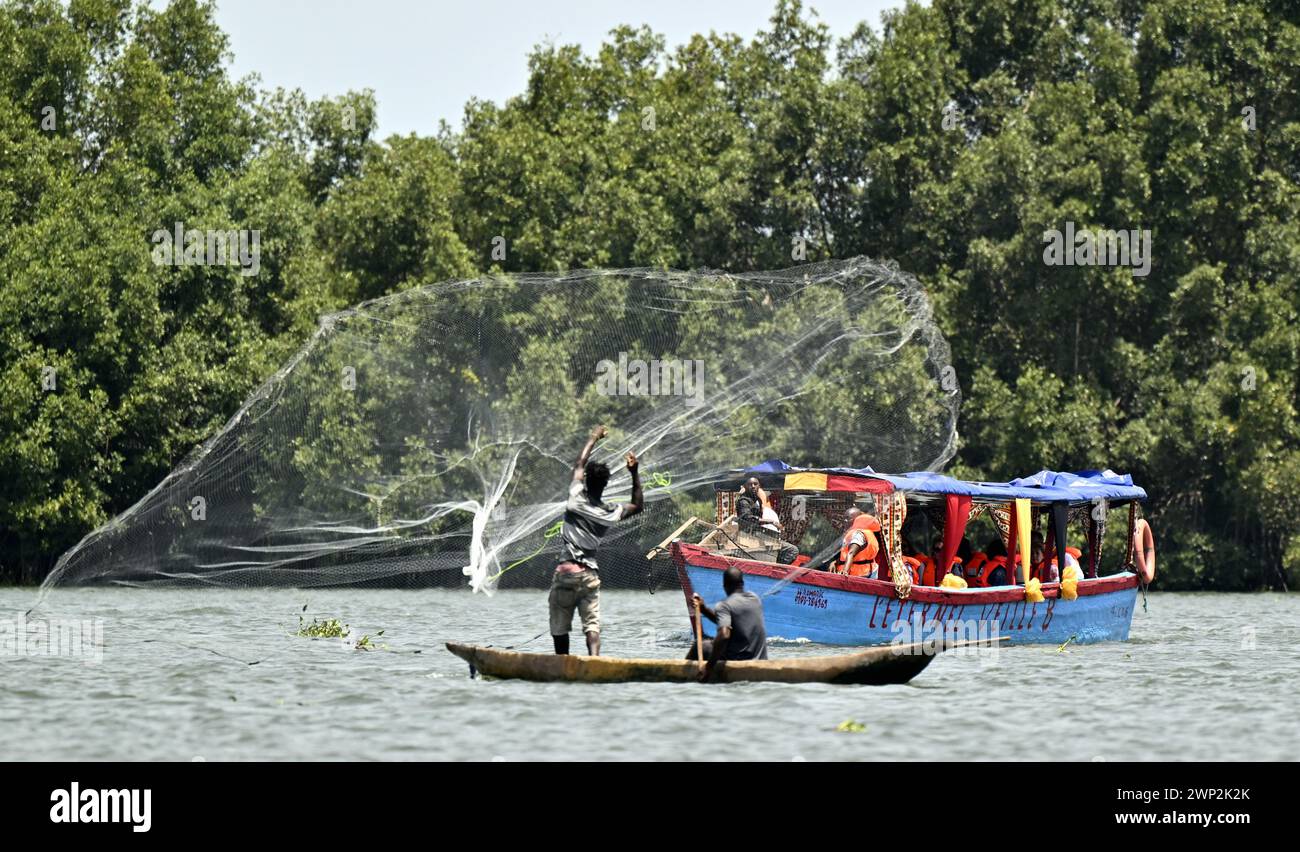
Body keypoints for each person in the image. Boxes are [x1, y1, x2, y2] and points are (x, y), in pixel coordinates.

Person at [550, 425, 643, 657]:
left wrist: (593, 437)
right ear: (606, 485)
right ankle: (594, 662)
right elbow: (637, 505)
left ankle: (562, 664)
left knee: (559, 627)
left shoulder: (575, 500)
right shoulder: (609, 513)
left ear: (587, 482)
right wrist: (634, 473)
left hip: (566, 573)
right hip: (590, 576)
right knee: (592, 626)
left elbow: (579, 465)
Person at [687, 566, 768, 681]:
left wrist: (708, 667)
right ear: (742, 583)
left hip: (739, 662)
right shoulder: (755, 599)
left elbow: (724, 635)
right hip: (760, 660)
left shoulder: (724, 605)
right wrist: (703, 609)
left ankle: (683, 677)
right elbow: (729, 622)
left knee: (701, 646)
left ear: (724, 586)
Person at [735, 477, 799, 564]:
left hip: (759, 535)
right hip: (748, 536)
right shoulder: (743, 501)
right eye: (750, 484)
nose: (753, 486)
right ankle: (775, 568)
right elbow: (747, 518)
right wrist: (771, 522)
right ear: (745, 486)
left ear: (759, 486)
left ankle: (776, 568)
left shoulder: (758, 500)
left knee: (792, 550)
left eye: (755, 484)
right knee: (792, 550)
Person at [834, 507, 881, 577]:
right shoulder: (865, 532)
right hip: (867, 572)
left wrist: (844, 572)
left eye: (847, 518)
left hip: (860, 575)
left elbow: (851, 553)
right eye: (844, 518)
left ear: (857, 520)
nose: (845, 521)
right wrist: (835, 562)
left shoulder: (858, 534)